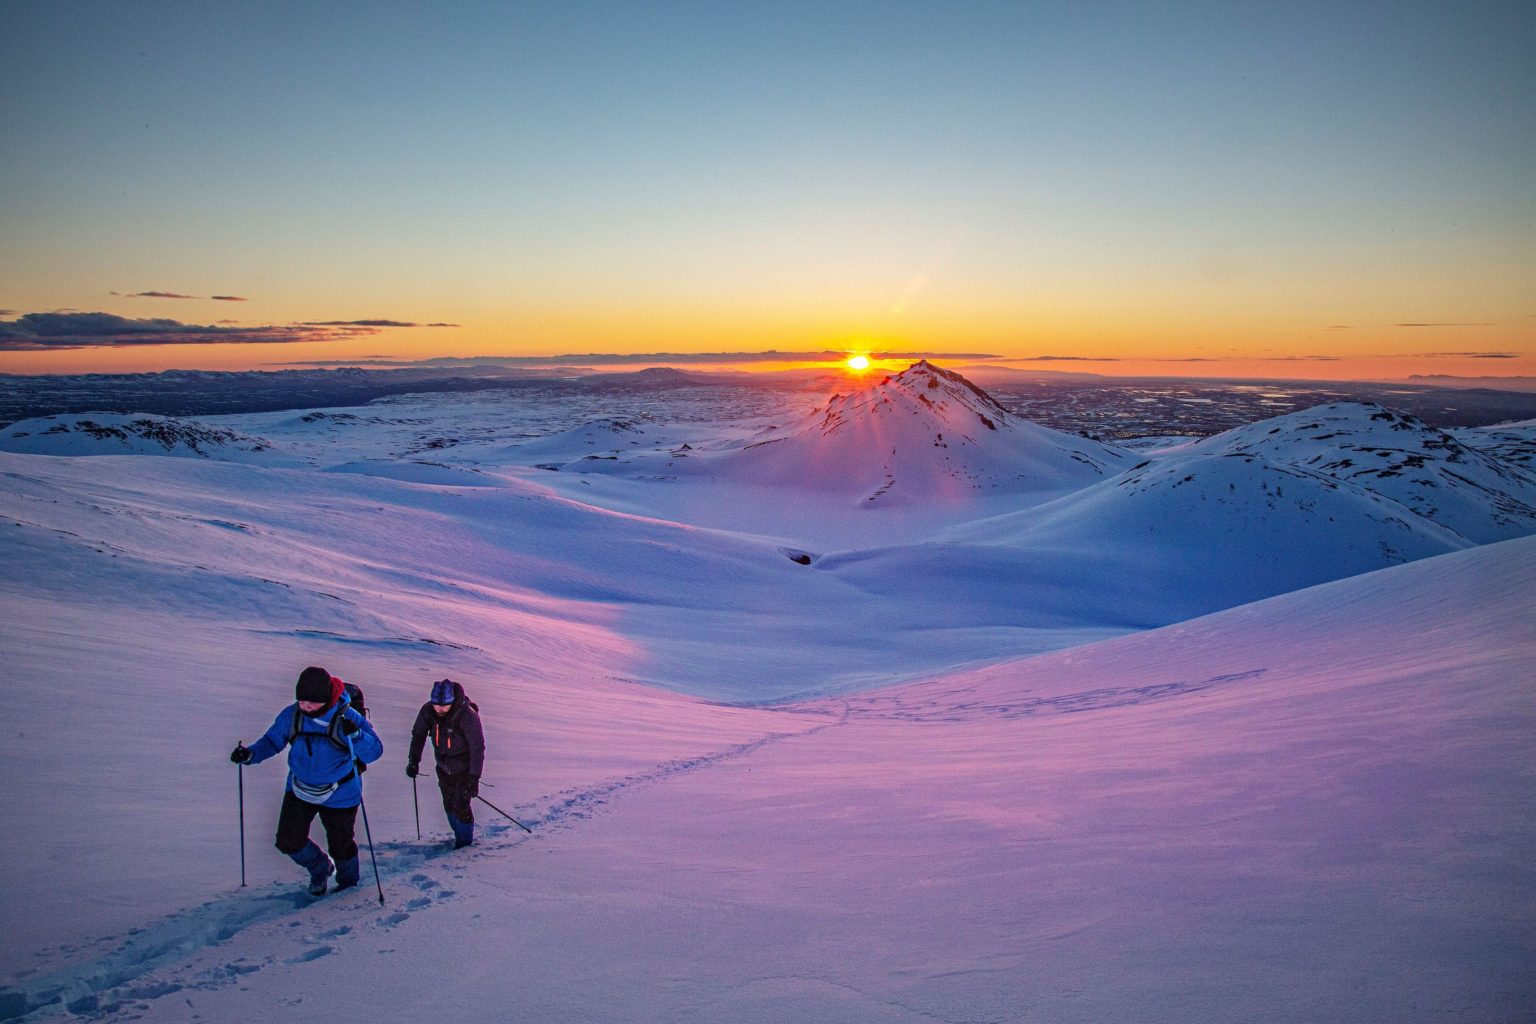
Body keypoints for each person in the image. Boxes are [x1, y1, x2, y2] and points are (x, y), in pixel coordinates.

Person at [230, 666, 383, 895]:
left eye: (311, 702)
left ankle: (348, 887)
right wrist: (250, 754)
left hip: (341, 793)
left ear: (326, 698)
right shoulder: (292, 715)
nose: (305, 706)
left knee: (341, 845)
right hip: (299, 789)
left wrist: (357, 735)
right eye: (302, 701)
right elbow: (272, 741)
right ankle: (320, 868)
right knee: (288, 840)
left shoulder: (347, 717)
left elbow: (374, 751)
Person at [406, 678, 485, 849]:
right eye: (436, 705)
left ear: (452, 702)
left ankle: (464, 845)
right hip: (443, 766)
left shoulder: (467, 716)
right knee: (448, 803)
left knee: (461, 806)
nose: (439, 709)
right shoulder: (428, 711)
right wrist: (413, 760)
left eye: (444, 706)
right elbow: (418, 735)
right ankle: (459, 835)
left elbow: (477, 748)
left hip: (464, 768)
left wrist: (474, 778)